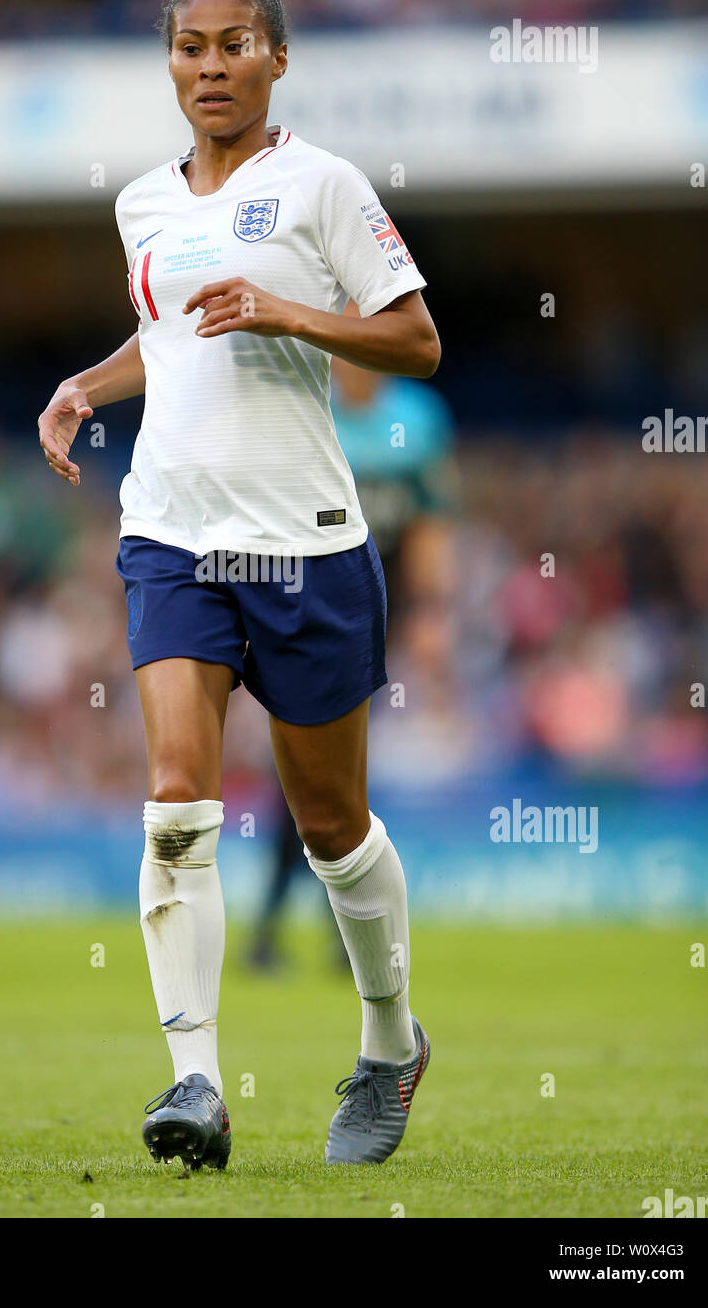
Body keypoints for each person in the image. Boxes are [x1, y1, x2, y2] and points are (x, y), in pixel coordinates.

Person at [37, 0, 440, 1169]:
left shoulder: (321, 186)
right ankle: (195, 1084)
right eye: (191, 47)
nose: (211, 66)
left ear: (276, 60)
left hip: (306, 542)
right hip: (171, 534)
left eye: (235, 45)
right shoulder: (139, 208)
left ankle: (389, 1042)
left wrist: (289, 313)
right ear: (169, 63)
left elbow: (416, 339)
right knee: (176, 799)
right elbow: (171, 337)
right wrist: (86, 386)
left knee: (331, 825)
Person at [249, 338, 459, 971]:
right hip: (311, 611)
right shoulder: (308, 407)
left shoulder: (419, 419)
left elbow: (430, 519)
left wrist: (429, 610)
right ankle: (299, 922)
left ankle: (313, 925)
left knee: (339, 774)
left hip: (379, 617)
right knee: (307, 771)